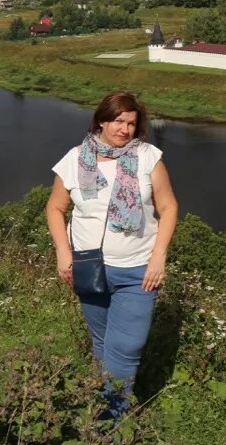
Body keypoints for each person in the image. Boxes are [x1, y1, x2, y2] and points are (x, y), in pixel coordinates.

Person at [46, 90, 179, 420]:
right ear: (102, 121)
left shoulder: (148, 157)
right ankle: (102, 400)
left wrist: (158, 256)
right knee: (103, 342)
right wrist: (64, 253)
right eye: (118, 121)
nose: (124, 129)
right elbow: (55, 207)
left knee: (127, 348)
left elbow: (168, 207)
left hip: (137, 271)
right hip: (89, 267)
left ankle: (112, 420)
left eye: (131, 123)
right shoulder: (76, 158)